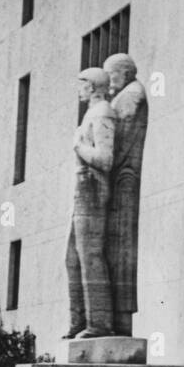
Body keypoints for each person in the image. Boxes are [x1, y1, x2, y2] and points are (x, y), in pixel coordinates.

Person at [65, 67, 115, 338]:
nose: (78, 89)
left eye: (82, 84)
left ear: (94, 87)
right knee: (71, 258)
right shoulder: (91, 113)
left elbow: (105, 159)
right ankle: (78, 321)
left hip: (93, 189)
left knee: (90, 256)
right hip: (82, 189)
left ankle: (99, 324)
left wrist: (78, 147)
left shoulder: (103, 112)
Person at [103, 53, 148, 337]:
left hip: (122, 181)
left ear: (125, 73)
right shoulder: (125, 94)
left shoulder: (131, 96)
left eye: (112, 75)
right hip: (120, 180)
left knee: (120, 251)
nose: (109, 82)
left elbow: (121, 142)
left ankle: (120, 322)